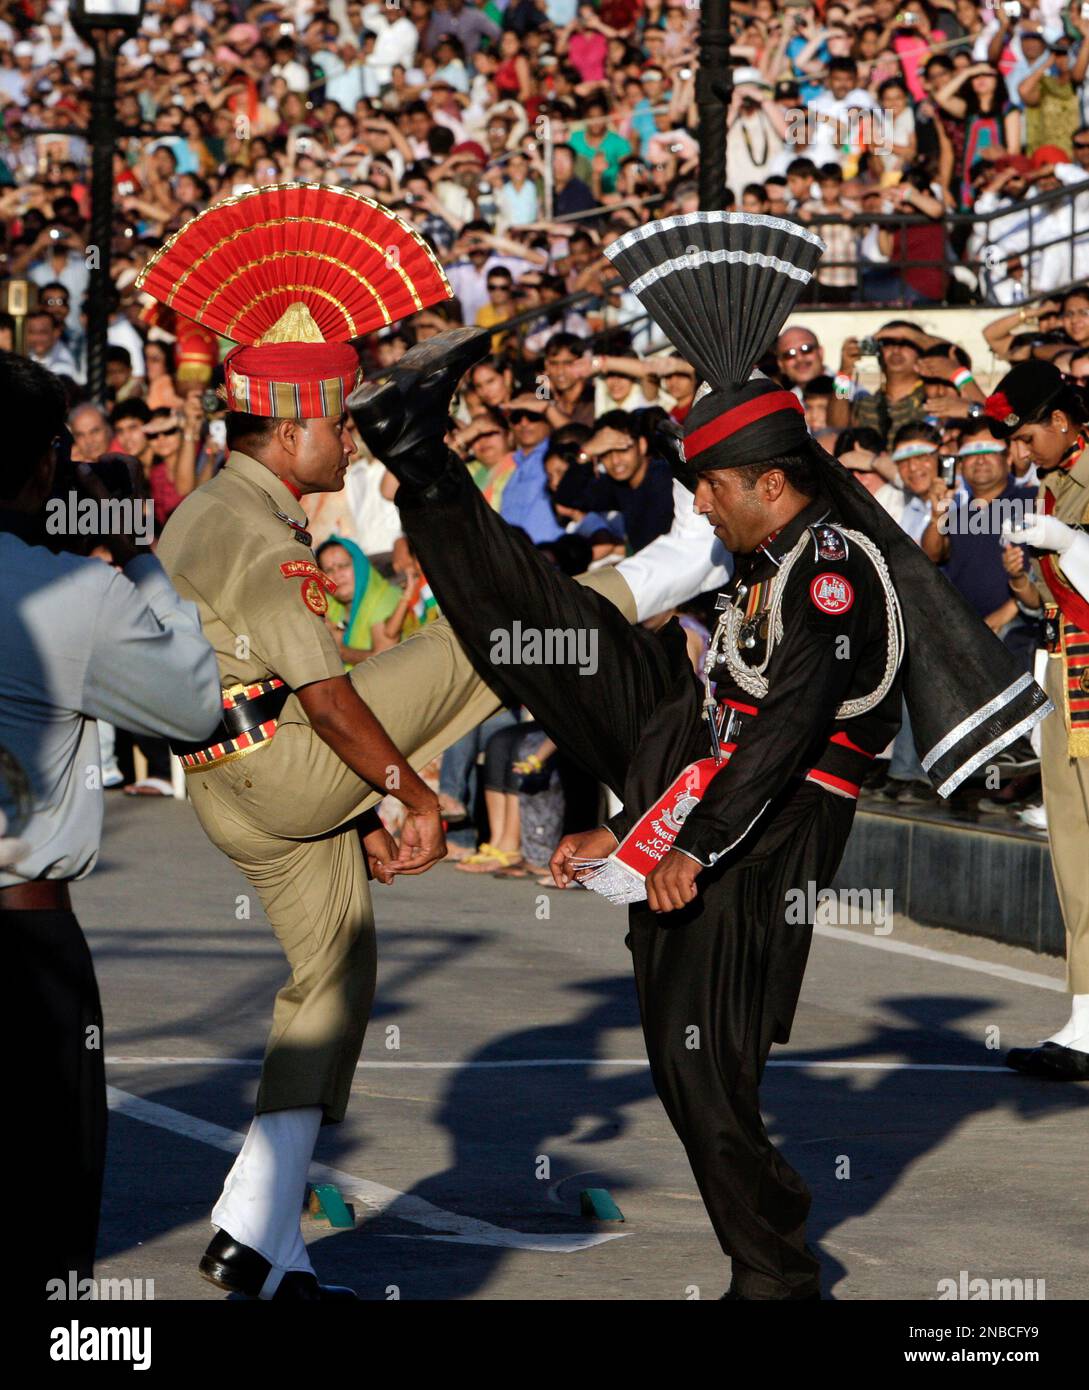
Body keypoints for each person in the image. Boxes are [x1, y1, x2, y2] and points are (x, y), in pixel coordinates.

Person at [353, 213, 1049, 1299]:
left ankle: (773, 1262)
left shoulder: (835, 572)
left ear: (770, 481)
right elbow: (723, 718)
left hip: (768, 827)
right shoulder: (766, 556)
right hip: (703, 769)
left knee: (698, 1065)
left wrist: (694, 845)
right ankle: (421, 460)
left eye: (712, 487)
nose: (703, 506)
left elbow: (789, 720)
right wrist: (637, 829)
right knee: (556, 635)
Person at [144, 187, 631, 1299]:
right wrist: (411, 795)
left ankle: (258, 1233)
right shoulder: (258, 529)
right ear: (291, 423)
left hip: (229, 777)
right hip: (285, 762)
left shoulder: (203, 508)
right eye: (340, 418)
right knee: (491, 623)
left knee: (332, 986)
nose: (350, 437)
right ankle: (656, 579)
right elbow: (324, 695)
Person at [0, 351, 219, 1293]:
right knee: (43, 1225)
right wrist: (135, 550)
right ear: (44, 469)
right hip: (23, 943)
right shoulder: (78, 594)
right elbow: (193, 705)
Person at [986, 361, 1089, 1082]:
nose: (1018, 454)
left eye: (1026, 436)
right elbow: (1048, 607)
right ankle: (1085, 1020)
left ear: (1060, 421)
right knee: (1074, 864)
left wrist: (1072, 544)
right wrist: (1026, 579)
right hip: (1063, 676)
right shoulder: (1055, 486)